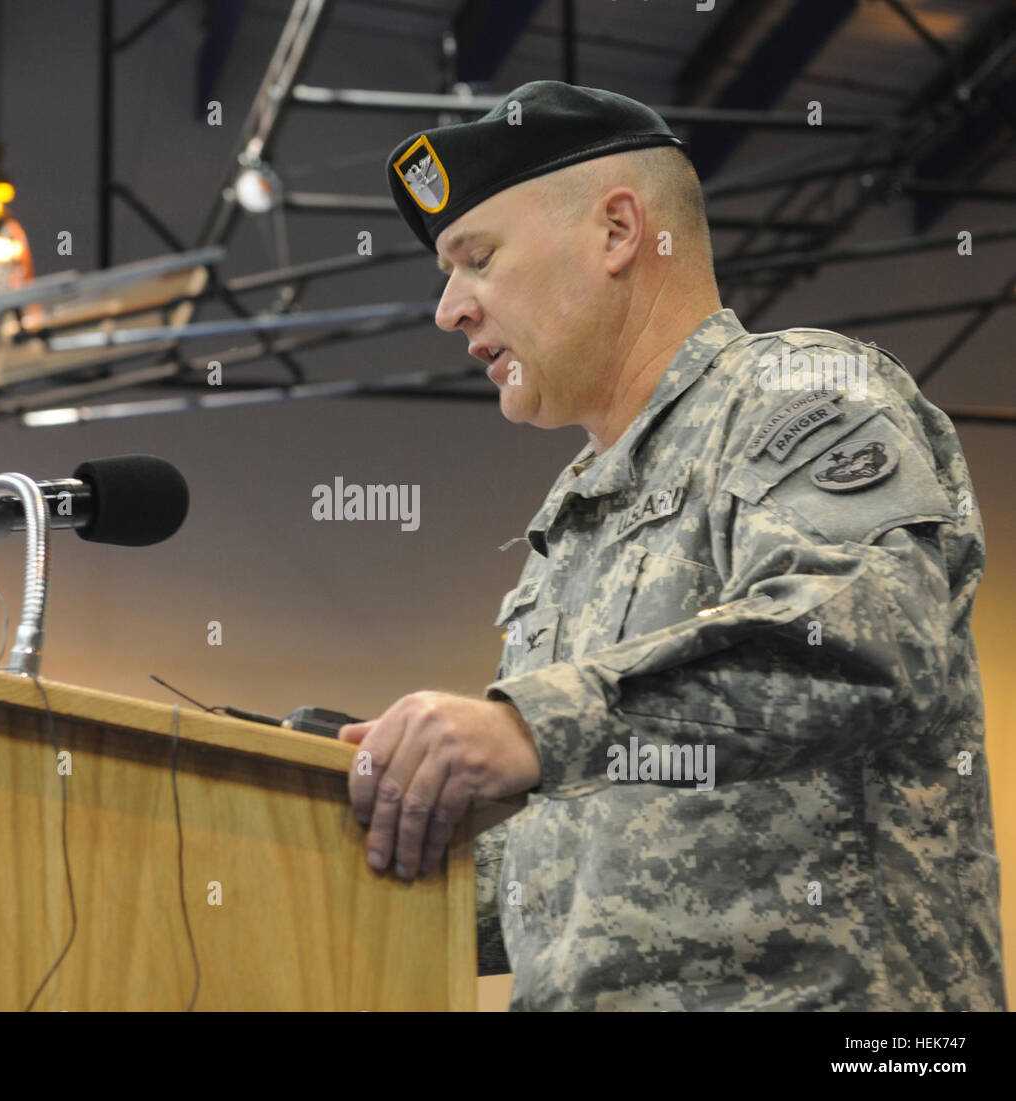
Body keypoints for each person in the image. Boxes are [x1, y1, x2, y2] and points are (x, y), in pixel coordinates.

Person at [338, 80, 1005, 1011]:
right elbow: (595, 879)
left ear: (618, 231)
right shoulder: (576, 514)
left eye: (477, 258)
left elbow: (864, 644)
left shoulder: (797, 394)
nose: (450, 308)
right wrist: (329, 806)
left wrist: (533, 726)